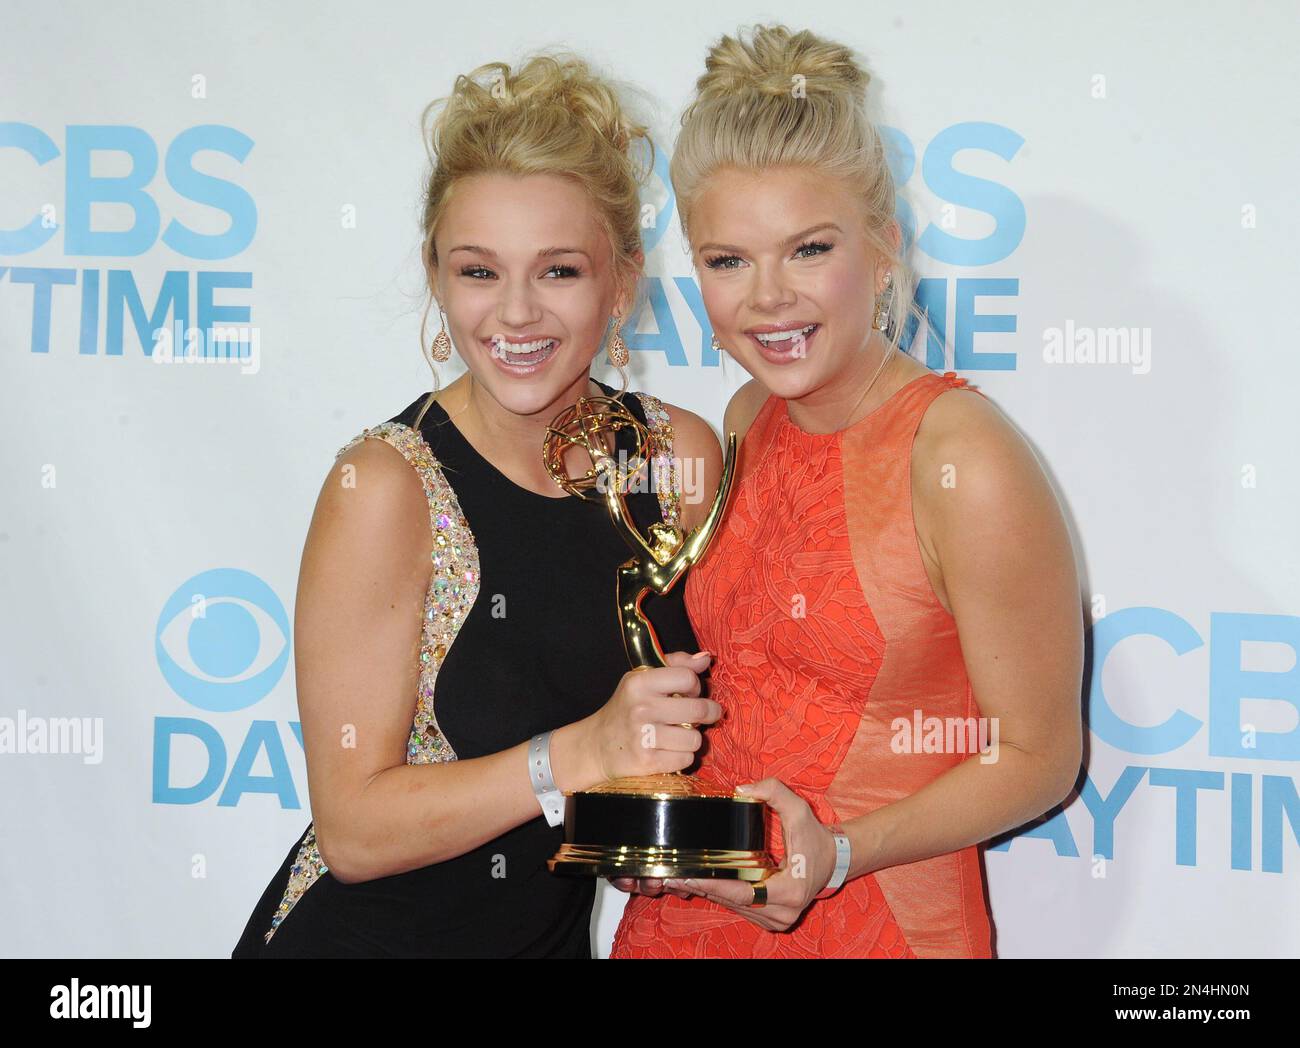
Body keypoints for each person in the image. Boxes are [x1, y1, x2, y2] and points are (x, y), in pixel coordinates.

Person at [231, 51, 724, 958]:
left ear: (621, 279)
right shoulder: (385, 486)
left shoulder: (672, 457)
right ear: (436, 277)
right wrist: (577, 755)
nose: (517, 314)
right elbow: (354, 832)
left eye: (560, 271)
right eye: (479, 271)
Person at [610, 24, 1084, 958]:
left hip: (876, 920)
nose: (768, 301)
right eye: (727, 260)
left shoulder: (965, 457)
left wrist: (839, 854)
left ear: (883, 243)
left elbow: (1039, 757)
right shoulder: (747, 414)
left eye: (809, 249)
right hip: (693, 917)